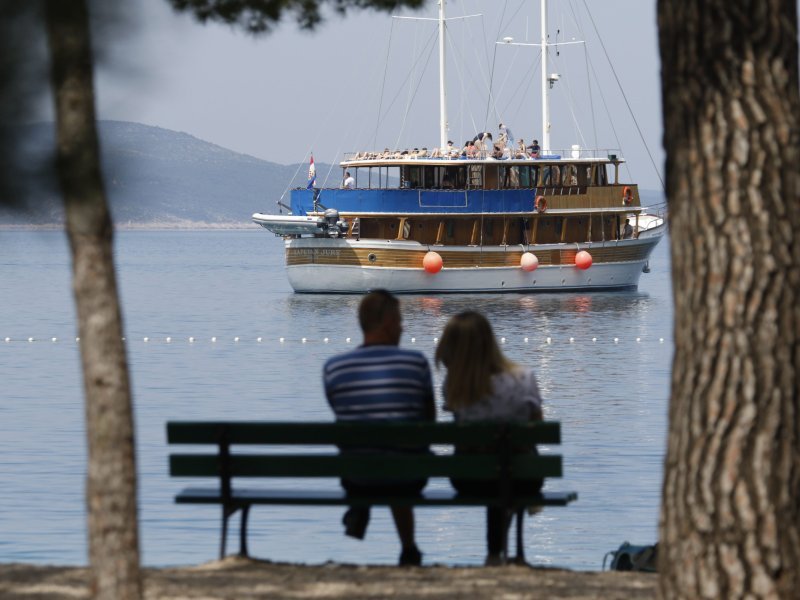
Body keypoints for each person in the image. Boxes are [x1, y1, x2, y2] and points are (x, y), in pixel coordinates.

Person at [323, 290, 436, 566]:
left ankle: (360, 503)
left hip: (357, 476)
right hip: (408, 476)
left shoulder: (334, 369)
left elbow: (343, 417)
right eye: (399, 321)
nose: (403, 327)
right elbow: (429, 423)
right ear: (387, 323)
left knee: (367, 450)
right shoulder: (416, 363)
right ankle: (409, 548)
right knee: (401, 460)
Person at [434, 311, 543, 566]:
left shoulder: (455, 385)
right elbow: (536, 427)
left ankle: (495, 552)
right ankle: (505, 550)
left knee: (491, 464)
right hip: (525, 479)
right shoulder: (524, 377)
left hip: (469, 479)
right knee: (511, 461)